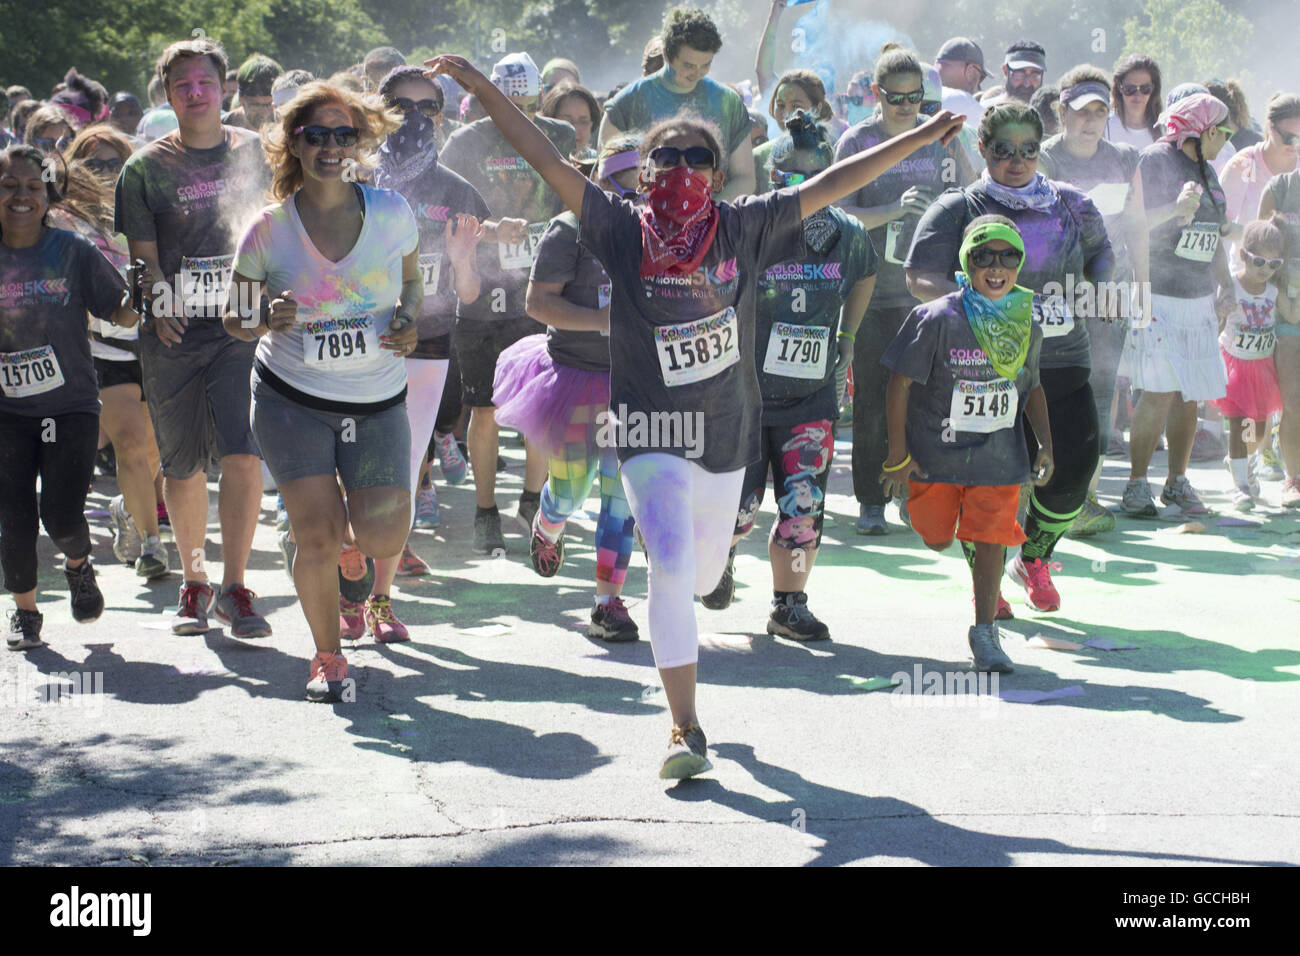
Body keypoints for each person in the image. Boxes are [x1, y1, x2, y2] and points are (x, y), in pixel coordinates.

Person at [425, 50, 965, 778]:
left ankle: (679, 572)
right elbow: (546, 155)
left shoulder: (743, 226)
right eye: (666, 156)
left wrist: (918, 137)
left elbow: (838, 181)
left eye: (696, 157)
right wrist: (483, 87)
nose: (681, 166)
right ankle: (684, 730)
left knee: (707, 568)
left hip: (725, 433)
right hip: (650, 430)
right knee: (671, 567)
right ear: (643, 171)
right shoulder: (616, 225)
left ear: (717, 173)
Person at [223, 81, 420, 700]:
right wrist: (264, 319)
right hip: (292, 398)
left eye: (345, 135)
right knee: (315, 534)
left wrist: (410, 321)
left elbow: (412, 284)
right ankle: (328, 658)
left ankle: (356, 556)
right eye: (317, 135)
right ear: (294, 143)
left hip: (377, 396)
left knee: (385, 535)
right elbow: (233, 318)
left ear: (360, 142)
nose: (332, 147)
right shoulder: (269, 229)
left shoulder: (391, 211)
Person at [907, 103, 1114, 614]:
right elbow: (918, 276)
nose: (1016, 161)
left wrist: (1100, 288)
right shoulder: (960, 206)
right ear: (982, 148)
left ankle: (1034, 557)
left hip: (1062, 358)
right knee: (989, 483)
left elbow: (1102, 255)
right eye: (1003, 151)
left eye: (1027, 151)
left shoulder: (1072, 204)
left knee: (1072, 472)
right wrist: (979, 305)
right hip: (983, 369)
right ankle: (988, 581)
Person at [114, 37, 272, 637]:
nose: (196, 93)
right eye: (182, 85)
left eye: (205, 81)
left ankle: (236, 587)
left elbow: (274, 225)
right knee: (181, 465)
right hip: (174, 333)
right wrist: (158, 299)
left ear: (224, 87)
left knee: (241, 452)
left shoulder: (255, 151)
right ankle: (195, 580)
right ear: (168, 94)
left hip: (241, 328)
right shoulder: (145, 167)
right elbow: (143, 255)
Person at [705, 113, 877, 640]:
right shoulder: (747, 224)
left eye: (814, 178)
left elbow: (867, 274)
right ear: (772, 178)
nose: (802, 189)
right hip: (744, 397)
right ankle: (720, 562)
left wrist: (847, 338)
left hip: (810, 400)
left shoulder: (848, 233)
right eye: (789, 179)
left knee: (804, 509)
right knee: (736, 506)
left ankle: (790, 603)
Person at [883, 216, 1051, 671]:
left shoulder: (1026, 322)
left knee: (992, 537)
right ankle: (926, 513)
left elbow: (1032, 387)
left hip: (998, 458)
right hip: (936, 457)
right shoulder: (936, 317)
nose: (996, 267)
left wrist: (1046, 447)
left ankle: (985, 633)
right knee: (936, 537)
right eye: (983, 257)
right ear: (966, 262)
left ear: (1019, 264)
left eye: (1008, 257)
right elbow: (898, 384)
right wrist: (897, 455)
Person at [497, 137, 642, 642]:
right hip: (574, 378)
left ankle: (608, 604)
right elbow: (538, 304)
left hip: (634, 385)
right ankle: (548, 524)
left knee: (620, 497)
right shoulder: (569, 229)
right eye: (620, 188)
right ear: (597, 183)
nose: (631, 201)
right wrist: (603, 321)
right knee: (571, 490)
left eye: (639, 189)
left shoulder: (657, 229)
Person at [0, 145, 140, 649]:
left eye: (33, 187)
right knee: (13, 517)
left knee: (60, 514)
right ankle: (26, 613)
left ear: (48, 193)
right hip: (6, 412)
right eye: (9, 186)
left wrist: (137, 296)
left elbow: (120, 315)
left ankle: (78, 565)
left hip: (70, 404)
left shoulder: (72, 251)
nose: (21, 196)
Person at [368, 65, 489, 635]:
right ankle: (352, 567)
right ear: (380, 106)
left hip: (430, 343)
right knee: (358, 465)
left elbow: (468, 292)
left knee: (406, 462)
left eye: (428, 107)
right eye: (402, 104)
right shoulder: (353, 178)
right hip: (357, 343)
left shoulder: (460, 192)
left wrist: (464, 259)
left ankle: (380, 593)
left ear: (442, 116)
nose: (415, 118)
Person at [835, 45, 975, 535]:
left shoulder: (938, 138)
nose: (907, 107)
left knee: (926, 398)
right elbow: (838, 211)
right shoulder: (857, 141)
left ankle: (912, 491)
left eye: (916, 97)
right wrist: (894, 210)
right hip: (872, 292)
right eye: (896, 98)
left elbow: (972, 192)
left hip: (928, 291)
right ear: (877, 95)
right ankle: (871, 498)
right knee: (873, 399)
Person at [439, 51, 574, 555]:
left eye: (528, 107)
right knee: (485, 406)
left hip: (542, 286)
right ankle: (485, 509)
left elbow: (572, 198)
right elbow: (447, 211)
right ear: (485, 100)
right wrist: (486, 239)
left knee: (542, 404)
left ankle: (532, 499)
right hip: (482, 288)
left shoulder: (558, 135)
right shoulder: (464, 142)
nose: (519, 117)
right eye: (507, 106)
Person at [1038, 67, 1149, 536]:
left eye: (1100, 111)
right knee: (1053, 388)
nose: (1091, 120)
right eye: (1082, 111)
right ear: (1062, 112)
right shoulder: (1044, 158)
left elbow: (1138, 226)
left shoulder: (1126, 157)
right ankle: (1046, 490)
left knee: (1101, 393)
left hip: (1111, 295)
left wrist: (1141, 288)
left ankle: (1087, 495)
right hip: (1057, 295)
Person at [59, 125, 169, 579]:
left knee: (153, 451)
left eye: (113, 162)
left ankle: (129, 506)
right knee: (127, 443)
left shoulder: (150, 204)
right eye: (93, 163)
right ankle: (151, 544)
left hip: (159, 341)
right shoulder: (63, 220)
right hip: (102, 349)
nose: (104, 172)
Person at [1120, 92, 1234, 517]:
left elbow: (1214, 233)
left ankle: (1177, 482)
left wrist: (1227, 285)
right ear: (1201, 128)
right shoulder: (1154, 159)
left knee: (1192, 394)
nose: (1225, 139)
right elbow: (1132, 225)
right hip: (1159, 292)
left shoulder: (1208, 170)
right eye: (1221, 131)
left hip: (1198, 296)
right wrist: (1174, 209)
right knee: (1160, 390)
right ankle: (1135, 485)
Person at [600, 6, 756, 198]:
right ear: (666, 54)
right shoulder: (626, 104)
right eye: (689, 65)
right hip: (645, 220)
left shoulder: (728, 102)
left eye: (706, 64)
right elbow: (605, 179)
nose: (697, 72)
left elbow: (745, 177)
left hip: (713, 221)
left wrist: (709, 215)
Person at [1212, 217, 1287, 510]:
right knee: (1240, 423)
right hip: (1236, 365)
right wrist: (1221, 310)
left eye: (1273, 265)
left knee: (1256, 430)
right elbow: (1217, 321)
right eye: (1259, 262)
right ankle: (1241, 485)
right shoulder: (1231, 285)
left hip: (1262, 367)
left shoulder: (1273, 290)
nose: (1265, 270)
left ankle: (1241, 462)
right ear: (1243, 255)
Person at [1257, 157, 1300, 508]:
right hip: (1288, 313)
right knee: (1293, 401)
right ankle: (1293, 479)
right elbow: (1256, 249)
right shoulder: (1280, 188)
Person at [1220, 94, 1300, 237]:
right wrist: (1263, 238)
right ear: (1270, 127)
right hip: (1248, 259)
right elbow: (1219, 224)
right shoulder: (1244, 164)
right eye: (1289, 138)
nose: (1295, 145)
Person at [751, 69, 834, 194]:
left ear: (818, 108)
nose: (787, 114)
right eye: (780, 105)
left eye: (796, 106)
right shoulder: (759, 158)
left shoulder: (834, 150)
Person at [1107, 55, 1160, 149]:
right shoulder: (1104, 127)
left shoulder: (1164, 129)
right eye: (1130, 89)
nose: (1137, 95)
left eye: (1145, 89)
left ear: (1153, 89)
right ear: (1119, 87)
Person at [936, 36, 990, 132]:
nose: (979, 86)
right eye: (981, 77)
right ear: (970, 72)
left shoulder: (914, 92)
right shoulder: (961, 100)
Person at [224, 55, 281, 132]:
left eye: (269, 105)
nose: (264, 113)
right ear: (241, 98)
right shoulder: (222, 128)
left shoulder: (285, 128)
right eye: (256, 105)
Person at [542, 82, 600, 154]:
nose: (574, 129)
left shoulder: (599, 162)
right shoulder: (531, 161)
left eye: (583, 122)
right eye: (567, 122)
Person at [983, 41, 1045, 108]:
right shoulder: (985, 111)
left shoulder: (1050, 115)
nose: (1027, 84)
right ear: (1005, 71)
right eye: (1019, 75)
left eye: (1034, 76)